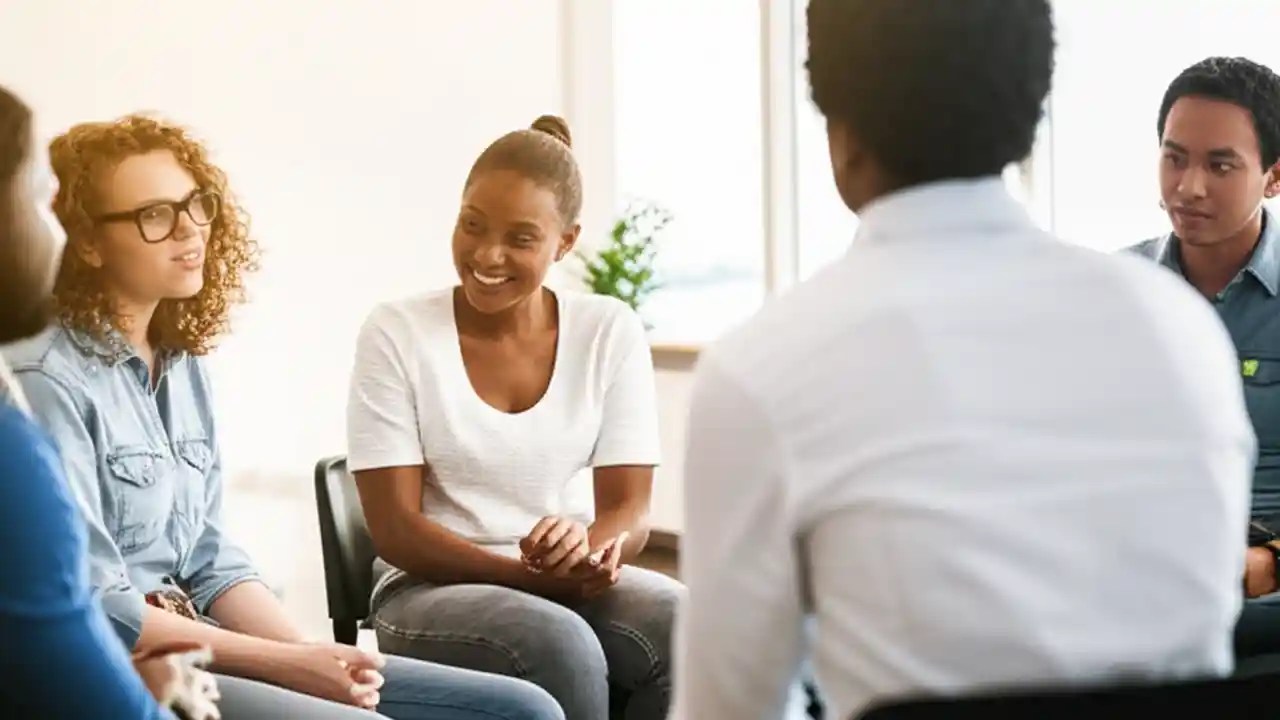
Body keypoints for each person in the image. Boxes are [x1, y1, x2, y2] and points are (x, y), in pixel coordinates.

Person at [672, 1, 1257, 718]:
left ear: (840, 132)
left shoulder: (760, 370)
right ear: (1031, 115)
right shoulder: (1180, 331)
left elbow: (734, 707)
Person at [4, 113, 563, 720]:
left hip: (208, 640)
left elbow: (210, 561)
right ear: (87, 241)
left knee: (525, 709)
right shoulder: (46, 380)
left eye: (196, 205)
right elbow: (104, 608)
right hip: (138, 662)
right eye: (155, 215)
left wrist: (307, 653)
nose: (189, 230)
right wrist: (285, 665)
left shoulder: (181, 362)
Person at [347, 115, 680, 720]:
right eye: (472, 225)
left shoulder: (609, 330)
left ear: (566, 241)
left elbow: (629, 509)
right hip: (426, 588)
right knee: (561, 643)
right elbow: (395, 528)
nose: (486, 255)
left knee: (685, 625)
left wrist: (591, 549)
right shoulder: (396, 331)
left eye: (521, 239)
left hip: (563, 582)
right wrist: (528, 578)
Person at [0, 85, 178, 719]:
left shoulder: (182, 360)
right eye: (34, 200)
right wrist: (156, 695)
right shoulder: (10, 448)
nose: (58, 233)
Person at [1127, 56, 1280, 663]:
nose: (1189, 187)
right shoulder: (1114, 293)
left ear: (1274, 176)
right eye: (1174, 157)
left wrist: (1268, 563)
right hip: (1134, 598)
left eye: (1221, 165)